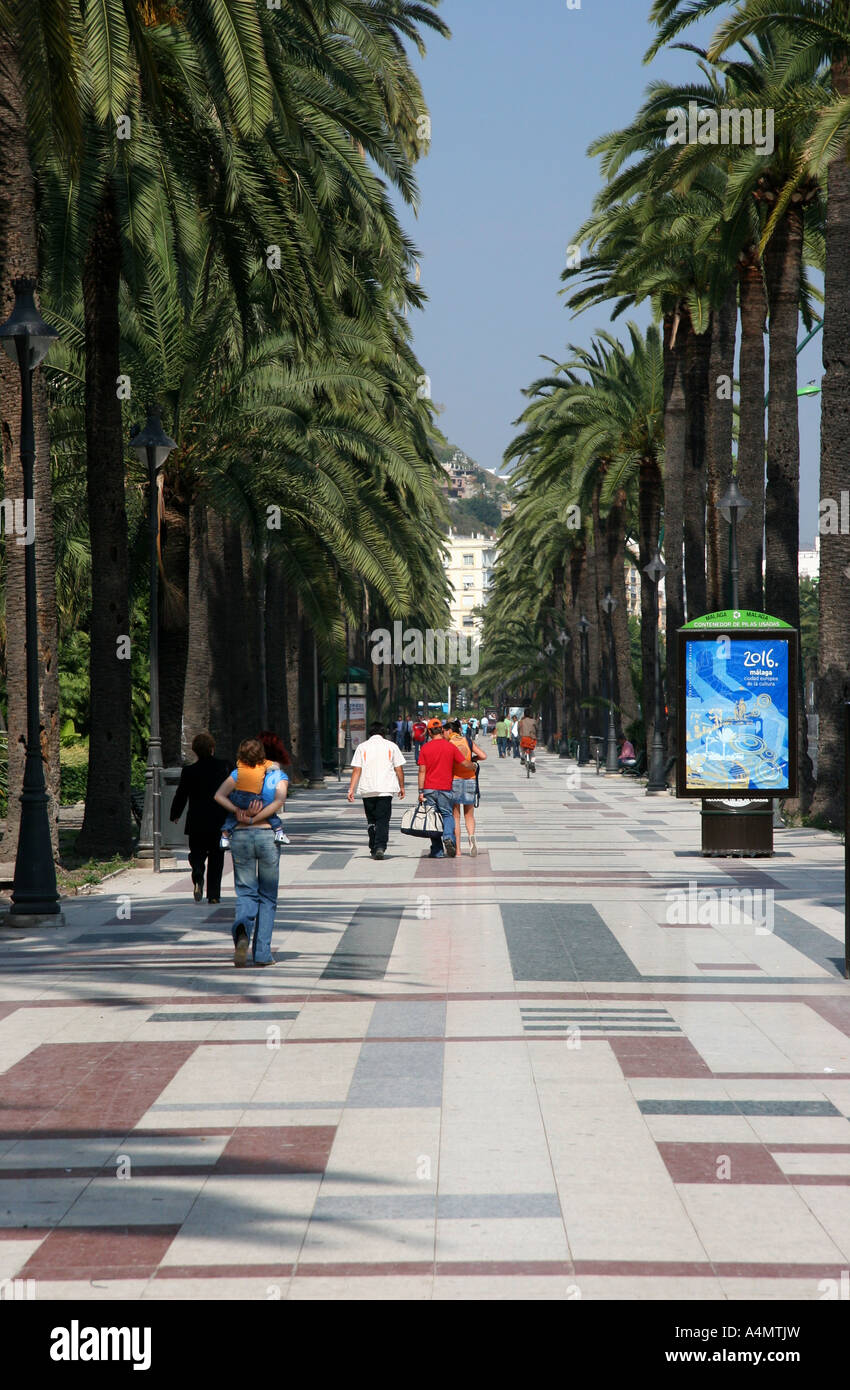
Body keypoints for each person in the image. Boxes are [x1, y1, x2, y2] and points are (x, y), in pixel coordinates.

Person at [215, 752, 288, 966]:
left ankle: (242, 929)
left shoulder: (238, 774)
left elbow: (219, 795)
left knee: (246, 891)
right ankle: (263, 954)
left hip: (241, 835)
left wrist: (239, 812)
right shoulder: (277, 775)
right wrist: (257, 817)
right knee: (267, 896)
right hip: (267, 836)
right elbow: (280, 800)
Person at [170, 732, 231, 904]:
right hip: (219, 819)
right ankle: (213, 895)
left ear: (195, 751)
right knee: (216, 857)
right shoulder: (225, 766)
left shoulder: (189, 771)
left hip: (196, 820)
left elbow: (181, 794)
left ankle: (197, 872)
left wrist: (175, 814)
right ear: (212, 748)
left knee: (197, 852)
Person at [347, 721, 405, 858]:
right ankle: (379, 846)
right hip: (386, 789)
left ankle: (373, 844)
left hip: (367, 789)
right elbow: (399, 769)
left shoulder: (362, 747)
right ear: (383, 732)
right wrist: (401, 786)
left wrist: (351, 789)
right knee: (383, 819)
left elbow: (356, 770)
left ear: (370, 733)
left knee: (371, 819)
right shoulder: (392, 746)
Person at [417, 718, 471, 858]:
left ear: (429, 731)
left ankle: (437, 850)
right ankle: (448, 837)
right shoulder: (450, 747)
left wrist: (420, 791)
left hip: (429, 788)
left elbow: (422, 771)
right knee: (447, 814)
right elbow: (464, 763)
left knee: (432, 818)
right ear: (441, 730)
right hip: (446, 788)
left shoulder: (425, 748)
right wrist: (474, 766)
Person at [219, 739, 286, 848]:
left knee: (232, 816)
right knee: (269, 810)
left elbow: (218, 796)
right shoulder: (263, 764)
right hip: (254, 797)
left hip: (239, 798)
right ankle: (279, 831)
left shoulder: (239, 765)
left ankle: (225, 836)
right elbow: (276, 766)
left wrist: (237, 810)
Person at [447, 719, 487, 856]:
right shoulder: (468, 741)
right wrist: (473, 760)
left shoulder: (449, 743)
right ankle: (471, 838)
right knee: (469, 815)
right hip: (470, 779)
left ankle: (458, 850)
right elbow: (483, 756)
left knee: (456, 816)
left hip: (454, 780)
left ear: (449, 731)